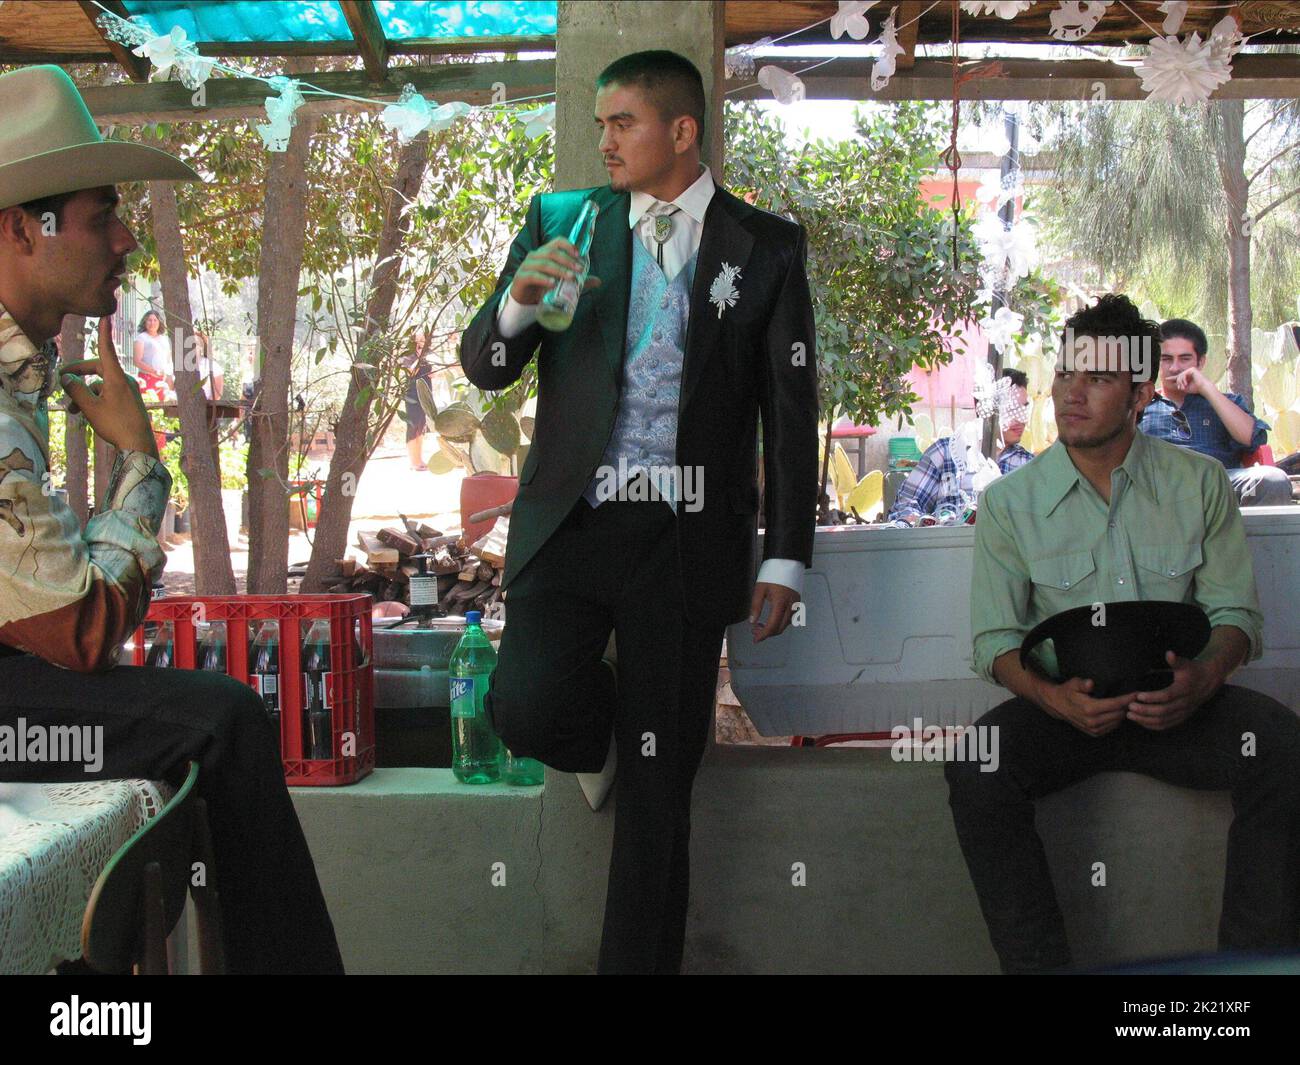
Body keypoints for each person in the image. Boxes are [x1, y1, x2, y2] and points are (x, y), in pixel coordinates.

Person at [460, 50, 818, 974]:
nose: (606, 142)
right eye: (601, 125)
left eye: (623, 123)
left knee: (662, 795)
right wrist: (516, 306)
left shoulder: (766, 248)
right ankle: (608, 730)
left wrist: (785, 558)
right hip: (572, 521)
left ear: (682, 130)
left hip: (685, 538)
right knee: (526, 706)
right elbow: (487, 368)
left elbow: (790, 413)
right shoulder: (561, 222)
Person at [0, 65, 343, 974]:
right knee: (222, 720)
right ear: (23, 229)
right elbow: (81, 630)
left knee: (201, 714)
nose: (123, 240)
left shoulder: (21, 371)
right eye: (100, 216)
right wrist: (140, 462)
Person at [946, 294, 1300, 973]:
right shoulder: (1010, 502)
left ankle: (1247, 974)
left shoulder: (1200, 484)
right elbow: (994, 640)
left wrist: (1203, 678)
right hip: (1065, 711)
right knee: (977, 764)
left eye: (1098, 378)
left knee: (1283, 748)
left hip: (1179, 705)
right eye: (1065, 374)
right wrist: (1052, 699)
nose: (1070, 394)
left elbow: (1236, 618)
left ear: (1140, 394)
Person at [1138, 317, 1291, 506]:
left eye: (1185, 359)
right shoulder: (1140, 404)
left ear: (1201, 362)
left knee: (1273, 480)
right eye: (1166, 359)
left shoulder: (1226, 402)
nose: (1175, 367)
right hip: (1158, 489)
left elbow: (1252, 440)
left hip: (1219, 485)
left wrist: (1207, 389)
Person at [887, 368, 1034, 522]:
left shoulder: (1028, 466)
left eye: (1024, 408)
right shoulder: (943, 453)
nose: (1021, 418)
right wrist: (923, 522)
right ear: (986, 408)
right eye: (1012, 409)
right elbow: (906, 506)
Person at [403, 329, 433, 470]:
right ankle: (413, 461)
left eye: (423, 340)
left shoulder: (426, 355)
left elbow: (431, 373)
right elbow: (412, 371)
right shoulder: (408, 356)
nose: (421, 342)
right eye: (418, 340)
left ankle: (420, 460)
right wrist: (419, 357)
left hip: (425, 395)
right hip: (412, 395)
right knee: (413, 425)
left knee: (421, 426)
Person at [132, 307, 172, 400]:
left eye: (155, 320)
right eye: (149, 320)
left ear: (159, 322)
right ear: (145, 322)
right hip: (147, 379)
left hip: (163, 380)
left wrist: (167, 375)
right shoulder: (141, 338)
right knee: (150, 403)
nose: (152, 323)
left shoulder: (164, 339)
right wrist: (154, 371)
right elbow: (137, 361)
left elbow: (168, 360)